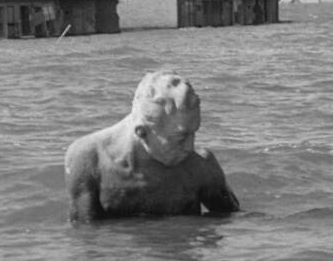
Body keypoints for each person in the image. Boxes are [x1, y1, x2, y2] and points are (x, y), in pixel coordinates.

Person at [64, 71, 240, 222]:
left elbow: (232, 222)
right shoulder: (88, 160)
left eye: (194, 132)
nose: (190, 147)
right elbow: (86, 239)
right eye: (181, 138)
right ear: (142, 132)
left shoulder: (201, 166)